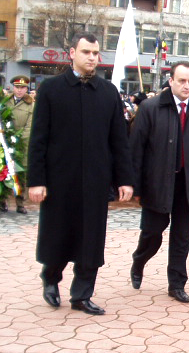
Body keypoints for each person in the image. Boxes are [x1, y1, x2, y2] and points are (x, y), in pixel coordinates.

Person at [27, 32, 134, 316]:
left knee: (91, 239)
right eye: (86, 52)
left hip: (96, 181)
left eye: (96, 53)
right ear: (72, 52)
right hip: (59, 180)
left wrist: (124, 179)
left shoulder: (108, 92)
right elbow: (38, 139)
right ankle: (50, 278)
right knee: (57, 234)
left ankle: (82, 294)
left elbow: (118, 141)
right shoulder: (51, 89)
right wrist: (36, 180)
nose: (92, 58)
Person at [129, 61, 189, 303]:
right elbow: (137, 149)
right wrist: (135, 185)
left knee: (182, 236)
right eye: (182, 81)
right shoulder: (150, 107)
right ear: (171, 81)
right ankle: (139, 260)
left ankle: (177, 283)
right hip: (157, 182)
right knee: (152, 233)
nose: (187, 86)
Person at [7, 75, 35, 214]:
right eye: (17, 87)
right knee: (4, 172)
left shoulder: (31, 104)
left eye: (22, 88)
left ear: (26, 89)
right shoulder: (6, 101)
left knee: (21, 174)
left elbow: (30, 127)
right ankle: (2, 201)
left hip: (22, 144)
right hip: (5, 141)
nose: (19, 90)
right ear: (13, 87)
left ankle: (20, 203)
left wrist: (18, 139)